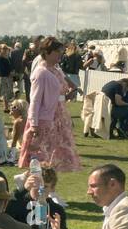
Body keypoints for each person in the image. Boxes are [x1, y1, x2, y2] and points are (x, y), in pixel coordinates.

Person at [20, 36, 82, 172]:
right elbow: (35, 100)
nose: (60, 55)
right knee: (40, 159)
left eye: (61, 52)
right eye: (57, 52)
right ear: (47, 52)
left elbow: (56, 93)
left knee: (54, 159)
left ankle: (47, 187)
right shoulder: (41, 72)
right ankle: (31, 185)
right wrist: (34, 124)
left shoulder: (56, 69)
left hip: (58, 116)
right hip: (45, 119)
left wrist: (66, 95)